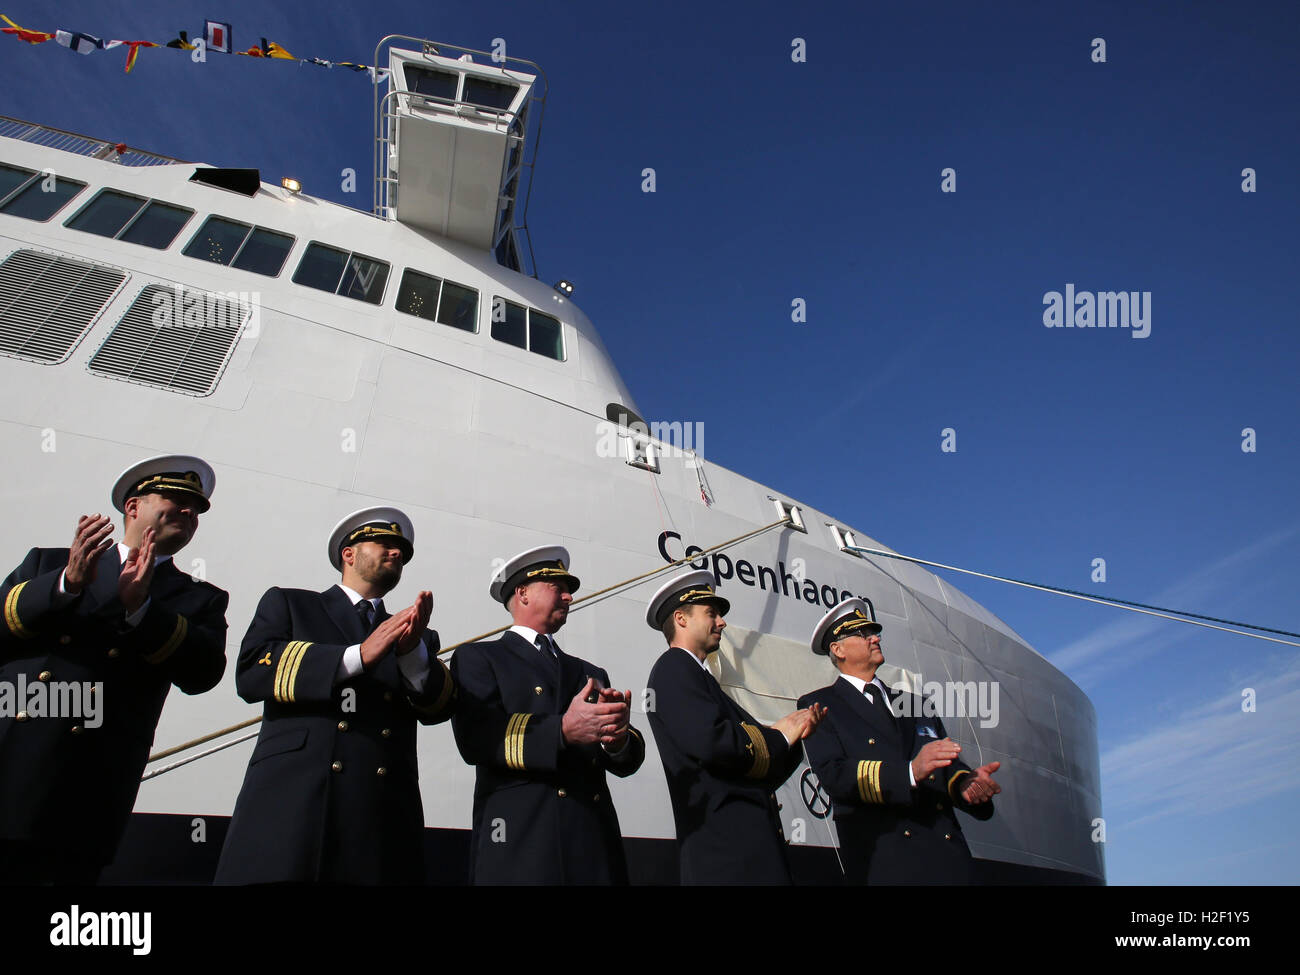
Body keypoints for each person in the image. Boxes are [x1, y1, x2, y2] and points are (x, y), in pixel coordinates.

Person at [0, 454, 228, 884]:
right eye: (176, 499)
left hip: (92, 788)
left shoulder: (200, 599)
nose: (188, 511)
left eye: (195, 509)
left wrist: (143, 610)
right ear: (133, 507)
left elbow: (203, 674)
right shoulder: (49, 564)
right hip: (15, 767)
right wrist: (65, 585)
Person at [214, 507, 456, 884]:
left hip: (380, 813)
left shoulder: (418, 636)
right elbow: (252, 674)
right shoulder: (293, 605)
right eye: (384, 544)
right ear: (349, 553)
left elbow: (439, 707)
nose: (396, 554)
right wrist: (356, 657)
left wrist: (411, 654)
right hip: (297, 806)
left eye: (402, 552)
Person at [450, 545, 645, 884]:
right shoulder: (478, 659)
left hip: (591, 845)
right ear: (522, 593)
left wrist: (617, 739)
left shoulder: (590, 671)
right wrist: (562, 731)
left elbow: (624, 761)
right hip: (522, 847)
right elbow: (477, 738)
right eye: (559, 588)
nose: (569, 597)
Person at [798, 598, 1001, 884]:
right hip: (887, 861)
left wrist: (965, 784)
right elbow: (835, 776)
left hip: (948, 860)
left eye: (874, 633)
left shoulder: (916, 704)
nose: (875, 638)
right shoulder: (819, 705)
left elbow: (946, 765)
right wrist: (909, 773)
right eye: (864, 634)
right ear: (837, 649)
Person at [644, 569, 824, 884]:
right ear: (681, 619)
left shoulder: (699, 678)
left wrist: (796, 736)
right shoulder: (674, 668)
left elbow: (759, 769)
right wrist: (781, 735)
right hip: (726, 858)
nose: (722, 622)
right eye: (711, 613)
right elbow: (712, 743)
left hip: (743, 856)